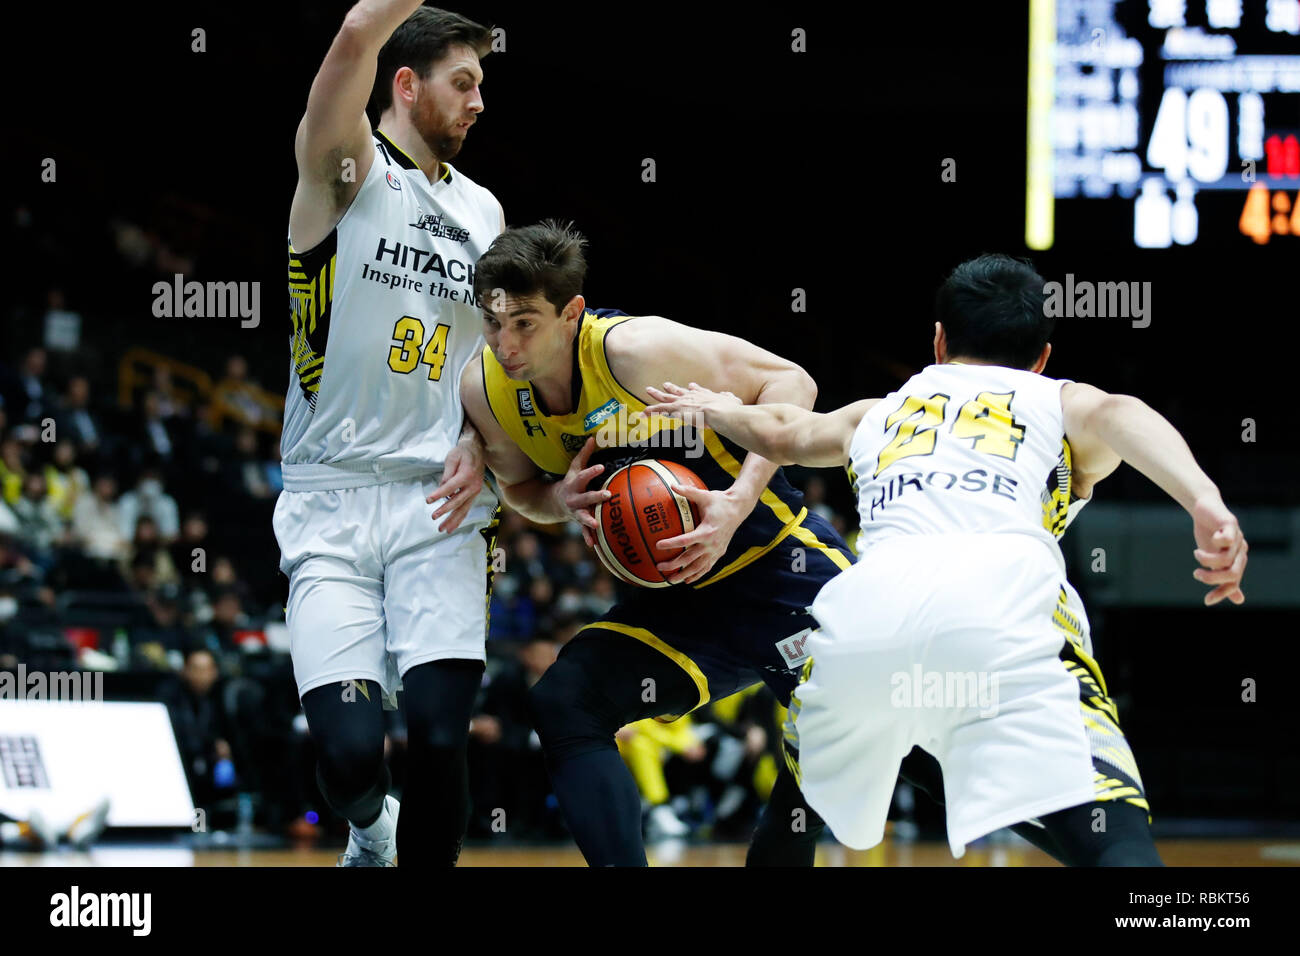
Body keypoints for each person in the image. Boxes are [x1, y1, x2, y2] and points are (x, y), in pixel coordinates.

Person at [643, 253, 1249, 865]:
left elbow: (782, 433)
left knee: (793, 817)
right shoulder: (1054, 403)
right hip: (1002, 609)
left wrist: (719, 410)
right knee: (1110, 832)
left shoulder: (877, 412)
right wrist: (1204, 501)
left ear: (938, 341)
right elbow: (1123, 414)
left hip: (864, 620)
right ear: (1042, 357)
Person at [456, 220, 854, 866]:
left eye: (524, 323)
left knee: (873, 738)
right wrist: (556, 501)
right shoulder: (487, 390)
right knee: (565, 703)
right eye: (493, 322)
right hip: (676, 605)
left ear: (572, 313)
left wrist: (736, 501)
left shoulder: (638, 351)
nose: (506, 343)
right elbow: (523, 489)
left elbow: (792, 384)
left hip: (778, 569)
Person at [275, 1, 504, 867]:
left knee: (444, 739)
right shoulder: (343, 171)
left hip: (438, 502)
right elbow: (350, 41)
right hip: (330, 498)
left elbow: (490, 364)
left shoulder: (486, 211)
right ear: (404, 85)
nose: (479, 101)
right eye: (464, 82)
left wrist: (482, 443)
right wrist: (374, 18)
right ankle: (371, 828)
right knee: (346, 755)